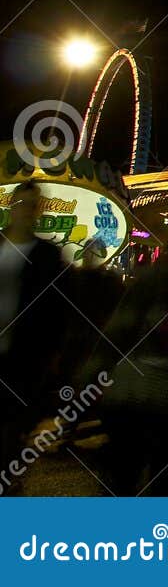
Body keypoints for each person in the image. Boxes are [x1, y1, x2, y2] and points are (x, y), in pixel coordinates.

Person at [0, 181, 68, 476]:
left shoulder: (47, 257)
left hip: (22, 361)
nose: (26, 212)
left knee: (9, 435)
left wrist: (51, 358)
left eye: (32, 205)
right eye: (21, 205)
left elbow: (58, 312)